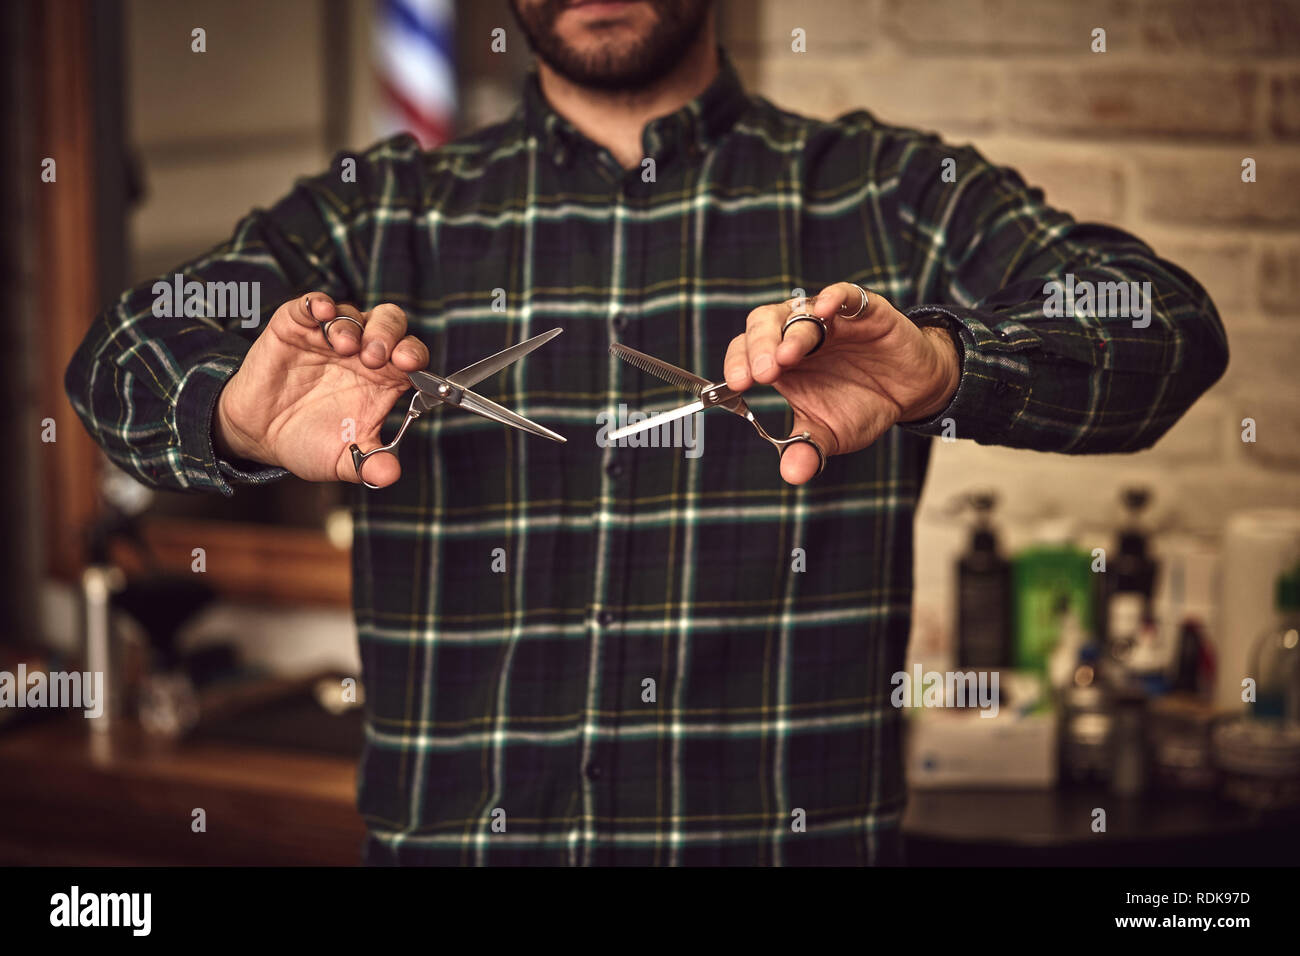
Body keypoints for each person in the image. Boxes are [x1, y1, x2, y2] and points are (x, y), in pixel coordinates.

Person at [66, 0, 1228, 865]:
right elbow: (117, 357)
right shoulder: (379, 212)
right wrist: (231, 409)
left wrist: (950, 365)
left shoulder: (886, 193)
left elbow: (1167, 326)